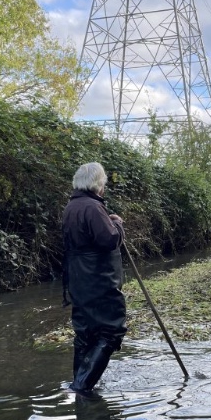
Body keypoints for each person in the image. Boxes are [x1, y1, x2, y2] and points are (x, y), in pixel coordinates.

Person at [62, 162, 127, 397]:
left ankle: (79, 383)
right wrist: (117, 223)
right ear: (98, 184)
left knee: (85, 333)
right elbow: (109, 240)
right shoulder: (92, 207)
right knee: (111, 332)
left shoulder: (72, 206)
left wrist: (106, 221)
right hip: (99, 280)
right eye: (104, 183)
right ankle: (81, 387)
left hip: (78, 279)